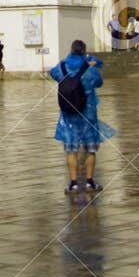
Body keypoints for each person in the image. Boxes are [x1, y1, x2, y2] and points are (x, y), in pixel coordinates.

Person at [50, 39, 115, 194]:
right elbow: (99, 83)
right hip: (88, 115)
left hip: (68, 116)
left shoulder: (62, 66)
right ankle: (89, 182)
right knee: (90, 150)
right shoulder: (89, 69)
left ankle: (72, 183)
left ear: (71, 50)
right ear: (84, 51)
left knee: (71, 150)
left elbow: (52, 73)